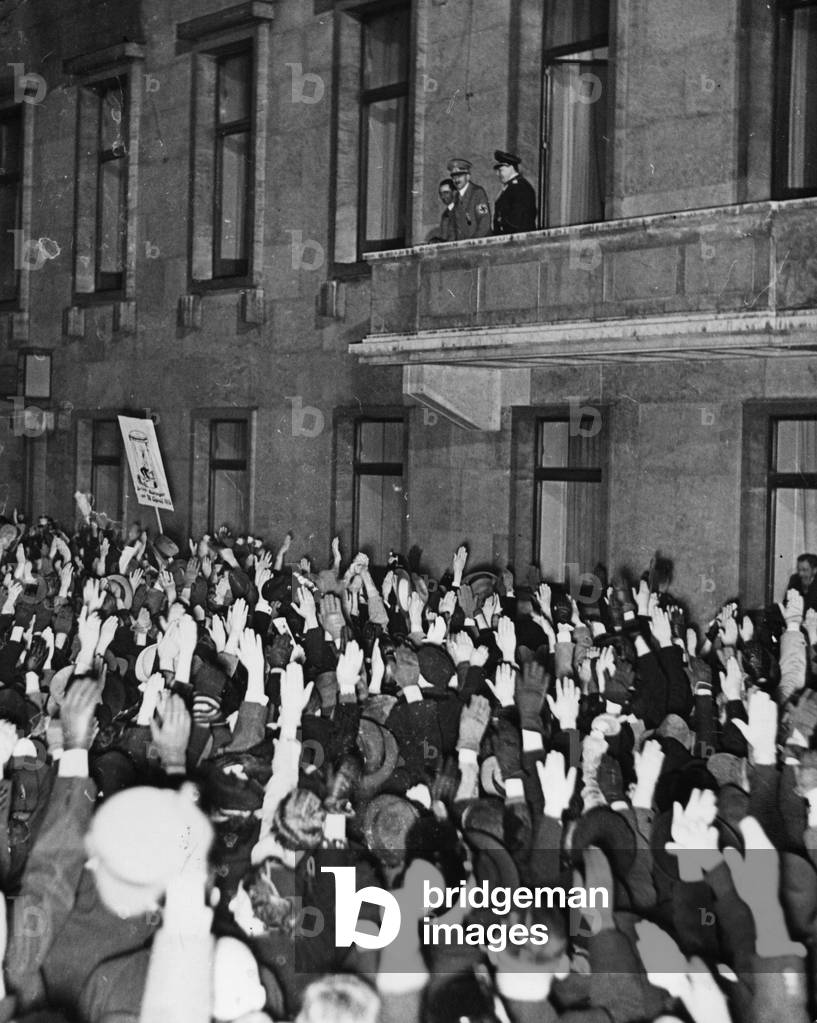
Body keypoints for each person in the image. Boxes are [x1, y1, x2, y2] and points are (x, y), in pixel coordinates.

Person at [492, 150, 537, 235]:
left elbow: (518, 220)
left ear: (511, 168)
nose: (498, 174)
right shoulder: (511, 186)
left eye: (501, 170)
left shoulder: (520, 187)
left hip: (517, 237)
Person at [447, 158, 491, 239]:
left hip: (478, 243)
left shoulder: (477, 193)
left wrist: (473, 242)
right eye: (453, 177)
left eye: (459, 176)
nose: (456, 180)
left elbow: (484, 222)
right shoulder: (455, 198)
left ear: (468, 177)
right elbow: (453, 227)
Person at [426, 178, 458, 243]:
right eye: (441, 194)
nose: (443, 197)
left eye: (446, 193)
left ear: (454, 193)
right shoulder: (445, 214)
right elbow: (444, 237)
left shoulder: (462, 209)